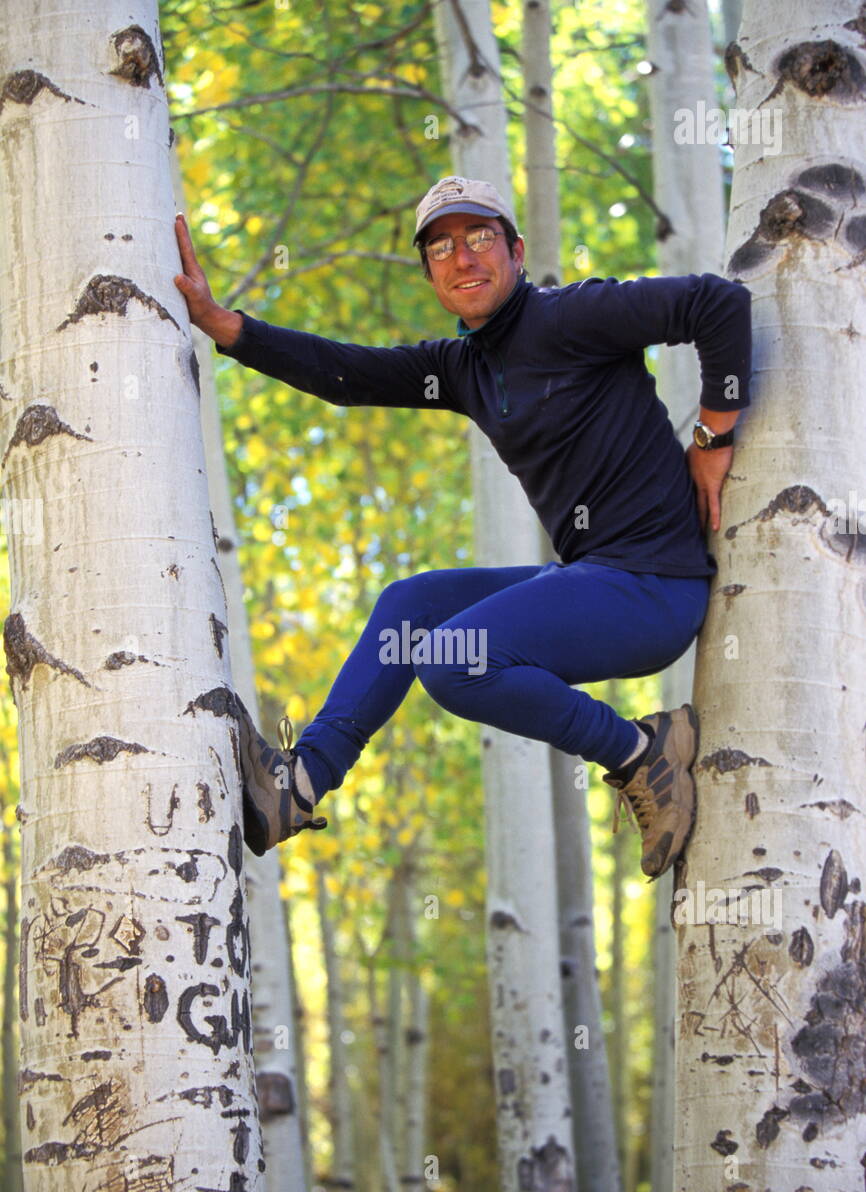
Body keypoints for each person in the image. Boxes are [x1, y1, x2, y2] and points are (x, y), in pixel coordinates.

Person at [173, 175, 750, 880]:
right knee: (410, 607)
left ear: (514, 249)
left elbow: (717, 303)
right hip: (594, 577)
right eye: (441, 247)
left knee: (452, 658)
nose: (463, 257)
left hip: (654, 588)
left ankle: (638, 753)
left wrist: (715, 438)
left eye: (479, 237)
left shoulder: (575, 316)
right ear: (429, 274)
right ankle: (298, 788)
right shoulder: (460, 368)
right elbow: (345, 374)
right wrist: (224, 326)